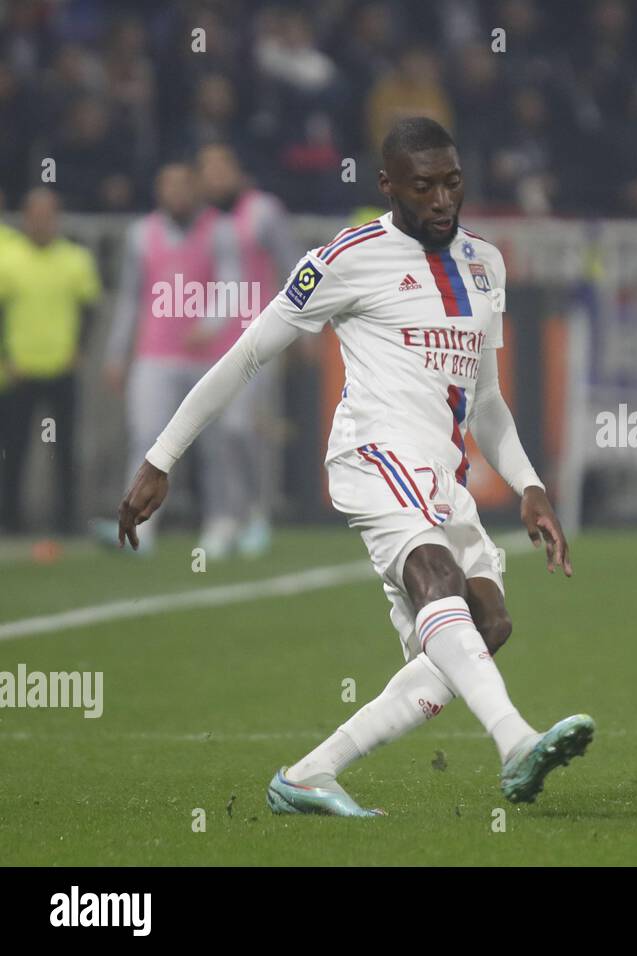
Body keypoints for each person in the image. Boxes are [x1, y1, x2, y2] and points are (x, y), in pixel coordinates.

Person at [115, 118, 592, 815]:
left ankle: (310, 772)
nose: (440, 200)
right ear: (387, 185)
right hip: (373, 454)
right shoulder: (348, 256)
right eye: (422, 186)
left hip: (442, 472)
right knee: (439, 580)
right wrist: (162, 457)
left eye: (451, 182)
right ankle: (517, 741)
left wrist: (531, 486)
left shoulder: (486, 264)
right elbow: (248, 352)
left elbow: (486, 401)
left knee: (487, 624)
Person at [98, 162, 234, 555]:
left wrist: (210, 324)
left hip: (207, 358)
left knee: (212, 443)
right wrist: (116, 353)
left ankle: (220, 522)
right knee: (146, 439)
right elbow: (130, 298)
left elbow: (231, 284)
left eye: (182, 185)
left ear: (195, 189)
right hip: (154, 355)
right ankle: (138, 526)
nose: (175, 193)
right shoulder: (142, 234)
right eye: (167, 186)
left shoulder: (219, 230)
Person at [192, 143, 301, 557]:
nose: (215, 176)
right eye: (207, 169)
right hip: (208, 344)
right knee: (214, 434)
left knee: (241, 427)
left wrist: (296, 330)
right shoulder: (200, 222)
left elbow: (293, 266)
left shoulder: (264, 211)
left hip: (256, 339)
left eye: (222, 166)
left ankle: (256, 512)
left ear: (237, 170)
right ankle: (222, 516)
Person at [0, 188, 101, 535]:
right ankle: (10, 518)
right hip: (19, 370)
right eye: (36, 216)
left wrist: (79, 348)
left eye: (48, 216)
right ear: (26, 219)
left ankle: (67, 518)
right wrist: (5, 357)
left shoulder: (75, 259)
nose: (42, 223)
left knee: (65, 448)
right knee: (13, 448)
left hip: (61, 367)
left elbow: (89, 308)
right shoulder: (8, 258)